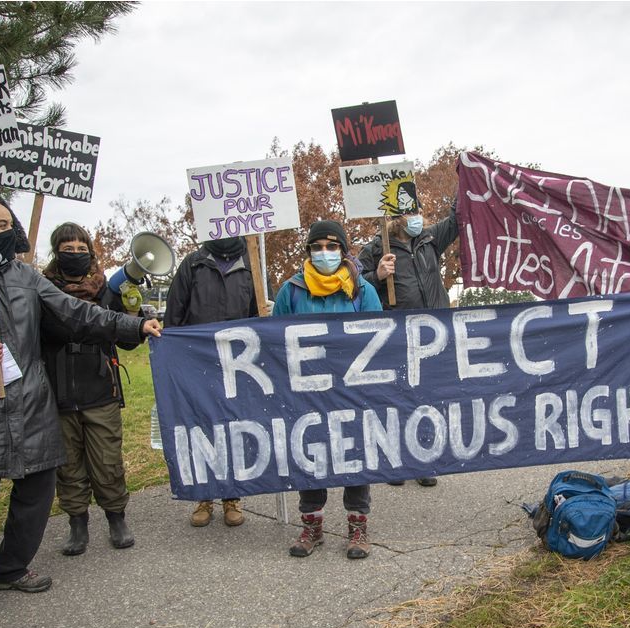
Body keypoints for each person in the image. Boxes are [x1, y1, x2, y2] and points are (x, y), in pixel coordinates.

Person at [0, 187, 161, 628]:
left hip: (33, 403)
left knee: (37, 494)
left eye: (11, 224)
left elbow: (79, 314)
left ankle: (11, 569)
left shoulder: (26, 278)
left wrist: (135, 324)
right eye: (0, 226)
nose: (11, 233)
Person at [272, 220, 383, 559]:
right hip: (307, 392)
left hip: (352, 391)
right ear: (308, 252)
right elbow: (274, 340)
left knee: (356, 454)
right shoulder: (291, 291)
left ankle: (358, 526)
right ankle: (312, 526)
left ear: (344, 251)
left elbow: (379, 337)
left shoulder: (362, 291)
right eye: (317, 247)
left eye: (332, 247)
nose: (324, 253)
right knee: (310, 454)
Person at [41, 222, 143, 555]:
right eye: (67, 249)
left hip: (100, 389)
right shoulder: (40, 290)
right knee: (68, 464)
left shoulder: (105, 290)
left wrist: (132, 312)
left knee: (107, 461)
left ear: (91, 253)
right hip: (57, 393)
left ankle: (116, 518)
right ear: (56, 253)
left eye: (81, 249)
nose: (75, 254)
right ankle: (77, 524)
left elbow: (127, 342)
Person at [358, 187, 458, 488]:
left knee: (428, 396)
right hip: (397, 335)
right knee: (399, 396)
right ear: (394, 217)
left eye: (417, 211)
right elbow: (354, 284)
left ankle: (424, 459)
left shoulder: (429, 238)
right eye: (408, 212)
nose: (415, 217)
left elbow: (457, 220)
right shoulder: (376, 248)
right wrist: (376, 275)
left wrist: (467, 178)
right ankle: (397, 461)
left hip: (434, 332)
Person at [164, 236, 258, 528]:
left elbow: (258, 318)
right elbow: (174, 316)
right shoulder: (193, 264)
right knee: (203, 428)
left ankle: (232, 497)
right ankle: (204, 496)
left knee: (234, 427)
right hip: (198, 363)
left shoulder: (251, 265)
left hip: (238, 364)